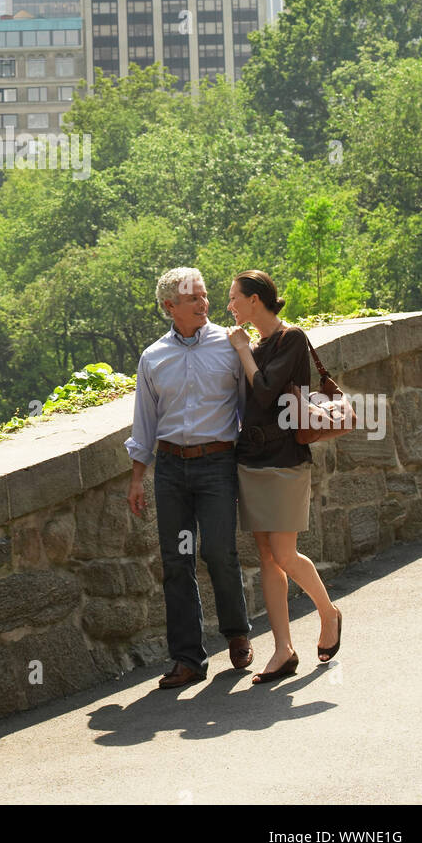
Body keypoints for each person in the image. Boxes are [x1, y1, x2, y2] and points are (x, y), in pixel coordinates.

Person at [126, 266, 253, 689]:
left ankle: (236, 633)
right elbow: (144, 424)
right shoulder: (153, 357)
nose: (204, 304)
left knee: (218, 551)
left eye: (204, 295)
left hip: (217, 465)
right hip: (171, 471)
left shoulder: (230, 345)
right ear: (170, 307)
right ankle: (188, 659)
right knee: (176, 563)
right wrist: (137, 477)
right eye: (193, 298)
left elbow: (247, 408)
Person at [226, 270, 343, 683]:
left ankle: (328, 613)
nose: (230, 307)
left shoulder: (290, 338)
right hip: (251, 459)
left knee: (285, 553)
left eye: (234, 298)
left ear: (254, 300)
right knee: (267, 558)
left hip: (285, 458)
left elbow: (266, 390)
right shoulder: (256, 344)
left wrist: (241, 350)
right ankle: (283, 650)